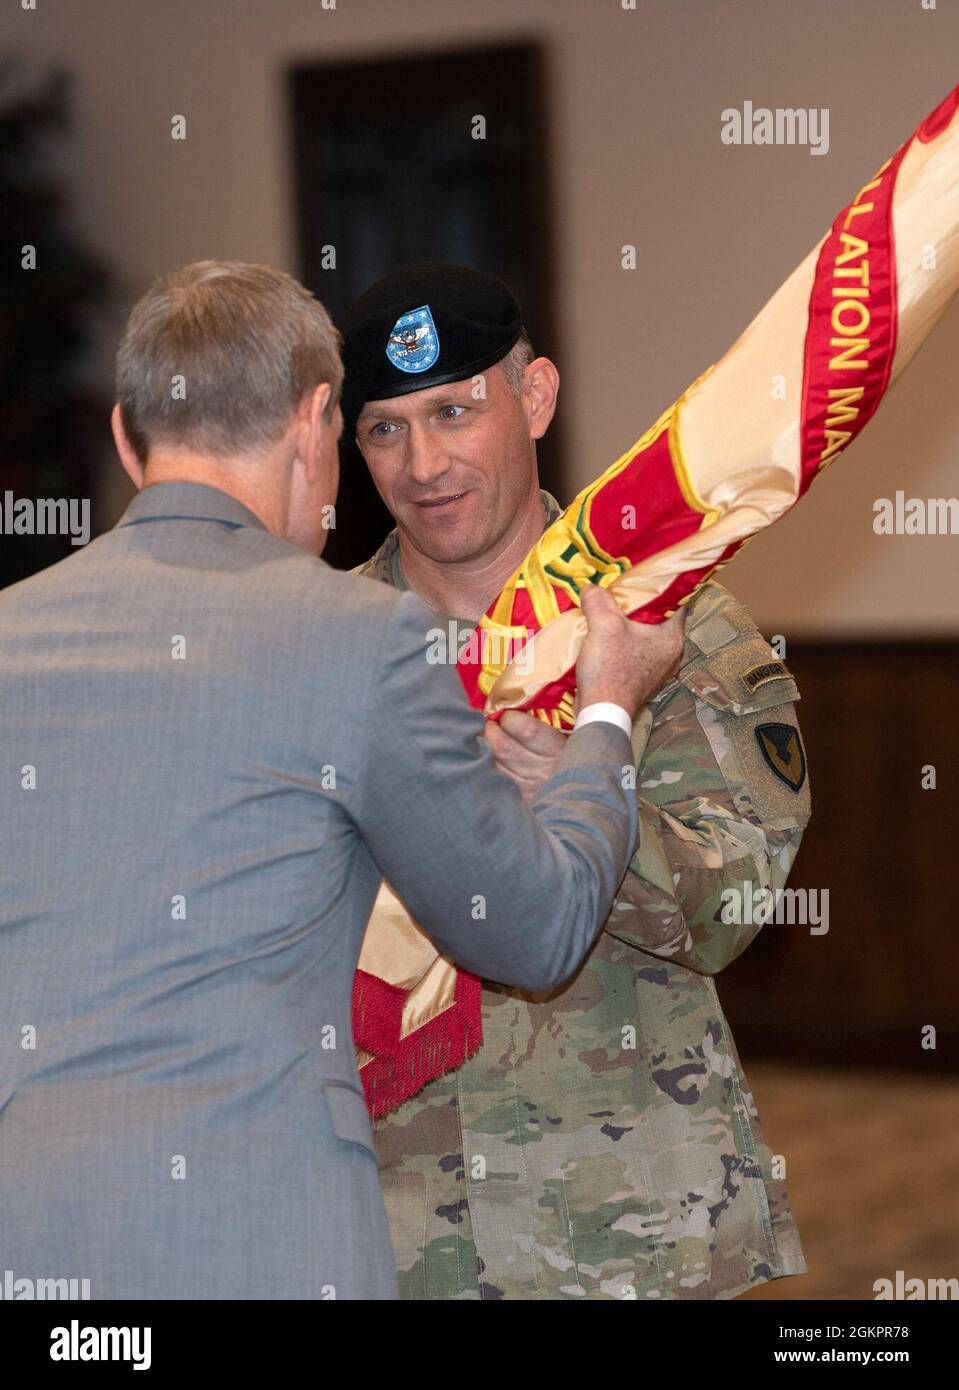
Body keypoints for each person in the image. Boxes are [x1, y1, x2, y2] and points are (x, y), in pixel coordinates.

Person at [0, 260, 685, 1301]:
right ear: (317, 420)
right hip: (258, 1231)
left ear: (125, 438)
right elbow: (533, 928)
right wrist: (604, 715)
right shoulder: (360, 639)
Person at [341, 262, 813, 1300]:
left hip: (629, 1223)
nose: (422, 463)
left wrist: (590, 793)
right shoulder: (317, 651)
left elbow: (734, 909)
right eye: (383, 428)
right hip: (383, 1230)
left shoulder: (659, 624)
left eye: (454, 411)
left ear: (535, 396)